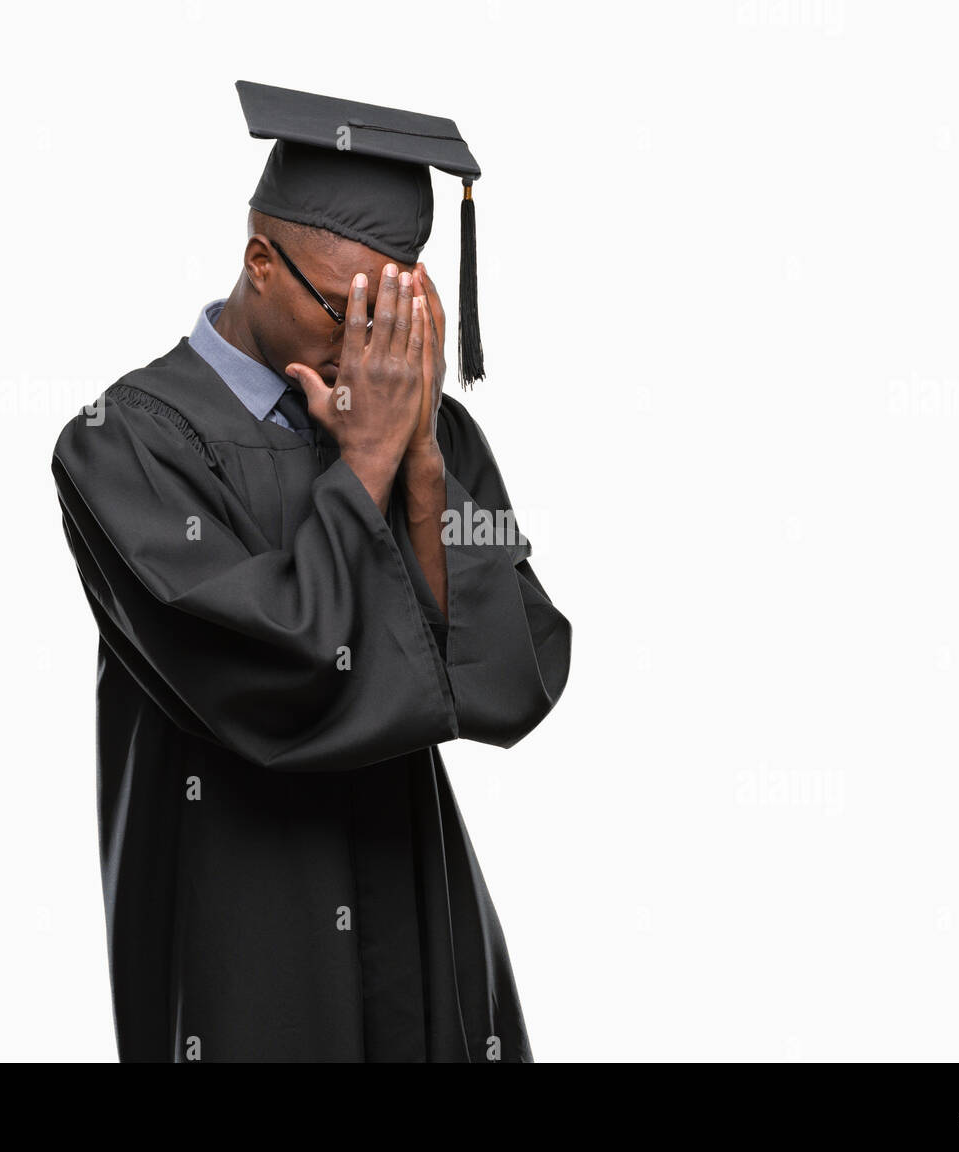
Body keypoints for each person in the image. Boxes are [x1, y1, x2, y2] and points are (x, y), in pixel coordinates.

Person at [49, 81, 571, 1062]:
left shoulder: (428, 426)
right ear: (260, 261)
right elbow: (280, 673)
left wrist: (416, 463)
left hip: (422, 918)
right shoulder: (121, 447)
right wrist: (365, 462)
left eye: (395, 313)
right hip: (242, 937)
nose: (372, 348)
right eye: (347, 310)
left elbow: (516, 675)